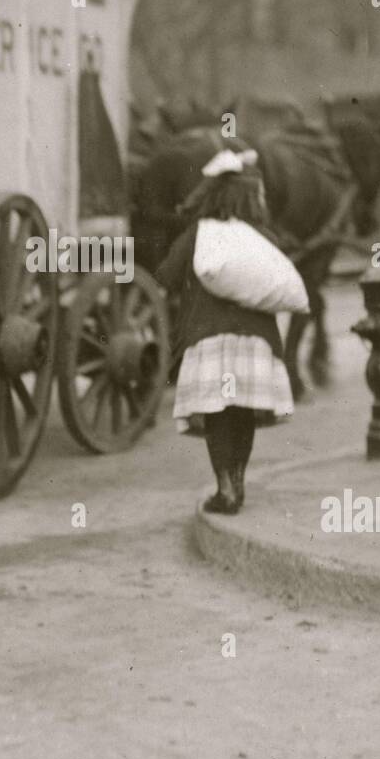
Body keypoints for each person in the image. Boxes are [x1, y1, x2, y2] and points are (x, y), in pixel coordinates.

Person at [154, 148, 296, 514]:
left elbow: (166, 278)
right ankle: (239, 482)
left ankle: (224, 489)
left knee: (218, 416)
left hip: (210, 342)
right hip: (255, 345)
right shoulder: (266, 237)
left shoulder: (198, 234)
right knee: (242, 415)